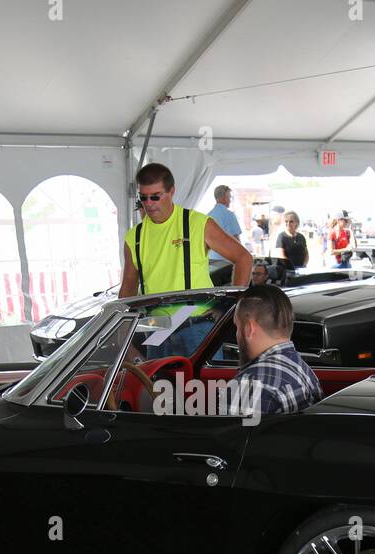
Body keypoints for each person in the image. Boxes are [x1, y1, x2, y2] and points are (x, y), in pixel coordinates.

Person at [119, 162, 250, 299]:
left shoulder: (198, 223)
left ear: (172, 191)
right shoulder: (134, 237)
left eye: (155, 196)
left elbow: (243, 258)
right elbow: (128, 286)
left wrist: (234, 303)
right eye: (143, 197)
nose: (149, 203)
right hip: (155, 319)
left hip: (198, 317)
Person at [232, 283, 322, 418]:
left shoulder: (249, 384)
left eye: (237, 327)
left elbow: (232, 439)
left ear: (249, 328)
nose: (237, 334)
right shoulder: (304, 371)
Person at [206, 184, 243, 261]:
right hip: (226, 260)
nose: (230, 200)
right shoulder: (229, 215)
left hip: (210, 259)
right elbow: (236, 241)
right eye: (229, 197)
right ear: (223, 198)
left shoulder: (207, 216)